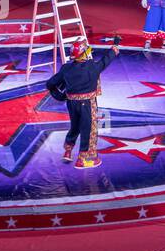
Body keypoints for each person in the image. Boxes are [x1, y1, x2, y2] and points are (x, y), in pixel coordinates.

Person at [47, 39, 121, 168]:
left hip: (71, 104)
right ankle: (83, 160)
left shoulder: (66, 68)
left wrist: (60, 96)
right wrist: (115, 46)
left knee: (75, 126)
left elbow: (50, 84)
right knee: (89, 129)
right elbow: (106, 60)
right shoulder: (92, 67)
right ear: (84, 54)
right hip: (87, 104)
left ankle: (68, 150)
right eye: (87, 51)